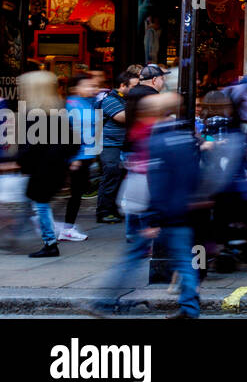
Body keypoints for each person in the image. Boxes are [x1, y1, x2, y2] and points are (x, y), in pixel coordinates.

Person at [86, 92, 202, 318]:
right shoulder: (186, 137)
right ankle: (190, 308)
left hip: (160, 212)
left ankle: (105, 302)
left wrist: (154, 218)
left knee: (130, 259)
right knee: (185, 261)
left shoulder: (157, 141)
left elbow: (157, 182)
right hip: (181, 209)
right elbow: (193, 175)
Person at [15, 71, 75, 258]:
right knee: (38, 203)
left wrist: (18, 160)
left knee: (39, 204)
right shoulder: (58, 112)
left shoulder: (34, 114)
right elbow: (73, 142)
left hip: (42, 169)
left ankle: (49, 242)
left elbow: (29, 147)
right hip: (53, 167)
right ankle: (36, 236)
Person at [60, 72, 101, 242]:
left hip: (86, 154)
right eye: (87, 85)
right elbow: (70, 133)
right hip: (77, 156)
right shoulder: (71, 105)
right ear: (75, 88)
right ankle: (66, 228)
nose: (92, 88)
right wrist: (74, 157)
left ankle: (65, 225)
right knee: (75, 193)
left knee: (79, 191)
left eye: (92, 85)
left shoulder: (88, 102)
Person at [96, 71, 131, 224]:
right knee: (111, 175)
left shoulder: (126, 99)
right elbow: (123, 117)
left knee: (117, 177)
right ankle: (104, 212)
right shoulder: (111, 99)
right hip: (109, 144)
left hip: (120, 144)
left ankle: (112, 209)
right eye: (134, 86)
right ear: (123, 85)